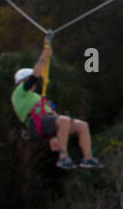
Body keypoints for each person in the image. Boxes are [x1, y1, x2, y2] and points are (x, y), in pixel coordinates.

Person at [12, 42, 102, 170]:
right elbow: (35, 76)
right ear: (22, 80)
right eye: (29, 80)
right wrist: (44, 56)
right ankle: (63, 157)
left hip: (46, 123)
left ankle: (88, 158)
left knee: (82, 126)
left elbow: (52, 114)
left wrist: (54, 136)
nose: (34, 84)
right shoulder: (19, 92)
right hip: (35, 124)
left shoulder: (36, 97)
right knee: (64, 121)